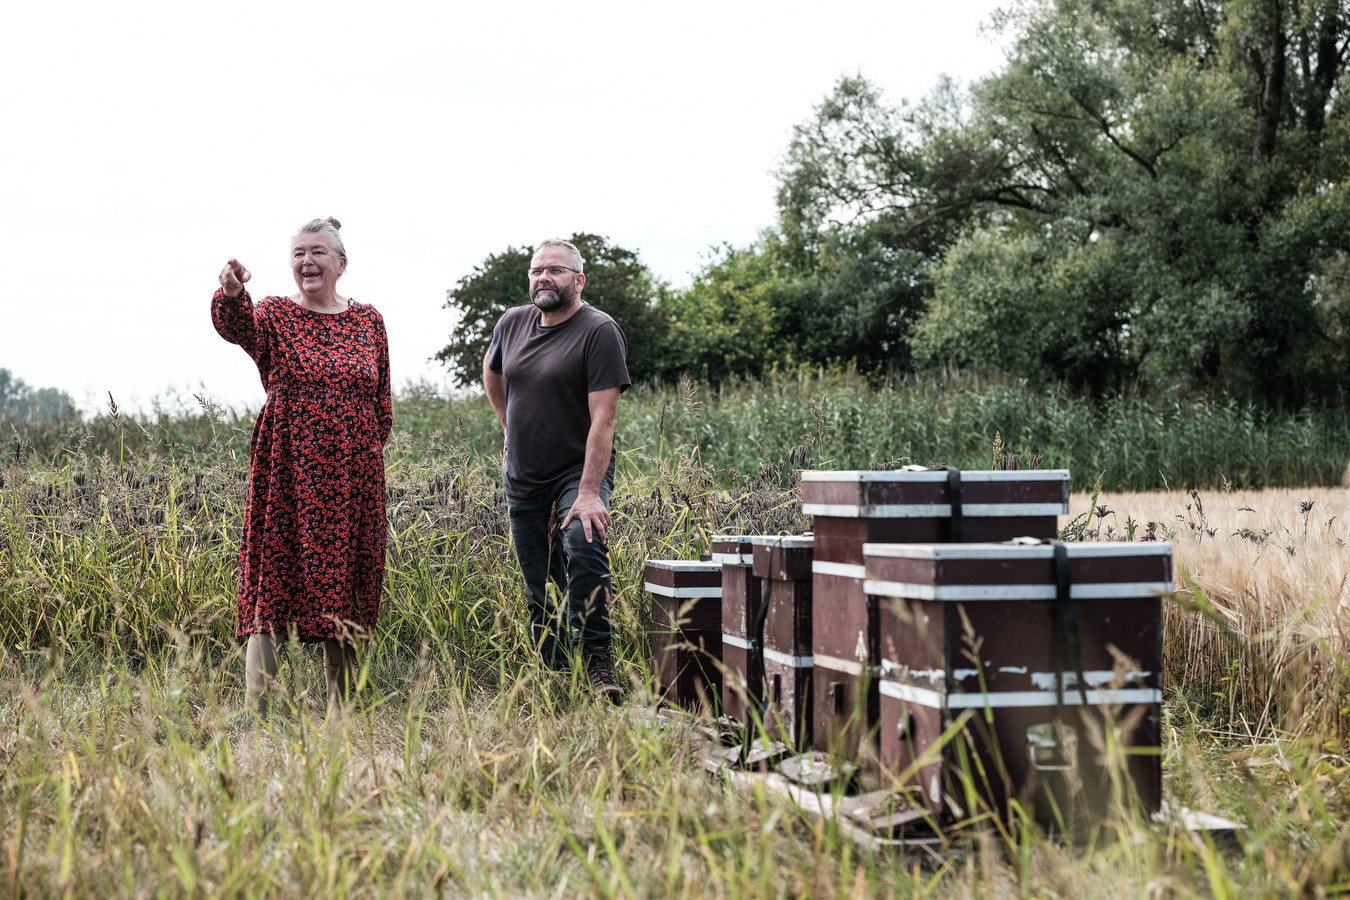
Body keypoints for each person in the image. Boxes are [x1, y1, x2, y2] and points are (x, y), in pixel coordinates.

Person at [212, 217, 392, 715]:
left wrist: (361, 453)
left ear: (341, 263)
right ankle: (259, 717)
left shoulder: (369, 321)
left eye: (317, 252)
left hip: (353, 479)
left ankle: (343, 717)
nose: (306, 261)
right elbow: (236, 326)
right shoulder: (275, 314)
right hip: (287, 472)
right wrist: (231, 293)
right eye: (298, 254)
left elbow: (381, 402)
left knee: (347, 586)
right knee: (274, 582)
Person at [484, 238, 631, 701]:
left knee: (583, 543)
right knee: (540, 580)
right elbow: (493, 371)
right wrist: (508, 426)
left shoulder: (598, 331)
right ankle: (557, 676)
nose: (543, 277)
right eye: (537, 270)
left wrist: (588, 493)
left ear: (578, 280)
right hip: (524, 474)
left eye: (555, 270)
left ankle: (597, 661)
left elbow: (604, 420)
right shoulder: (512, 323)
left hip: (577, 470)